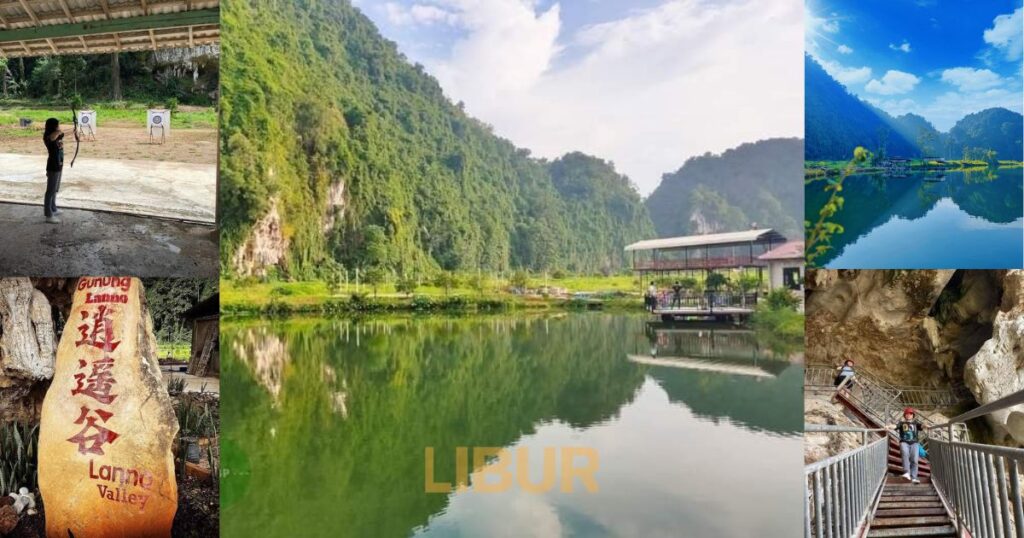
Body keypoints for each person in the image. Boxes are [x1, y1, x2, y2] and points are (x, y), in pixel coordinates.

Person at [42, 118, 65, 224]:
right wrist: (58, 131)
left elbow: (62, 134)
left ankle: (53, 208)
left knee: (55, 189)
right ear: (53, 126)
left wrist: (74, 130)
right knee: (50, 190)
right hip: (53, 165)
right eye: (57, 125)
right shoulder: (48, 136)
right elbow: (52, 138)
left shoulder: (56, 135)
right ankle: (48, 215)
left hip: (59, 164)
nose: (59, 127)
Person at [895, 408, 924, 484]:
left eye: (910, 414)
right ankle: (907, 473)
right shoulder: (901, 423)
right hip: (904, 442)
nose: (909, 415)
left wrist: (926, 425)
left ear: (913, 415)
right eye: (907, 414)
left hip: (914, 443)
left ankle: (914, 477)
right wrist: (888, 427)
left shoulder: (915, 423)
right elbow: (895, 426)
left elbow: (922, 426)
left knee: (914, 460)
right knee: (905, 454)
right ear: (904, 415)